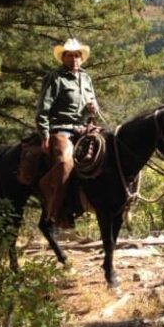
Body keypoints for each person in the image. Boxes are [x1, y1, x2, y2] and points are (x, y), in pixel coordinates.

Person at [35, 38, 99, 228]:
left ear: (81, 58)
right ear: (63, 58)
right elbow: (43, 109)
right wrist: (44, 136)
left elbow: (93, 107)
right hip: (61, 128)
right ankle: (55, 213)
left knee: (110, 150)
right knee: (65, 163)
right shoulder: (54, 78)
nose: (74, 59)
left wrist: (93, 107)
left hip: (84, 127)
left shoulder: (86, 78)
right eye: (70, 55)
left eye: (77, 55)